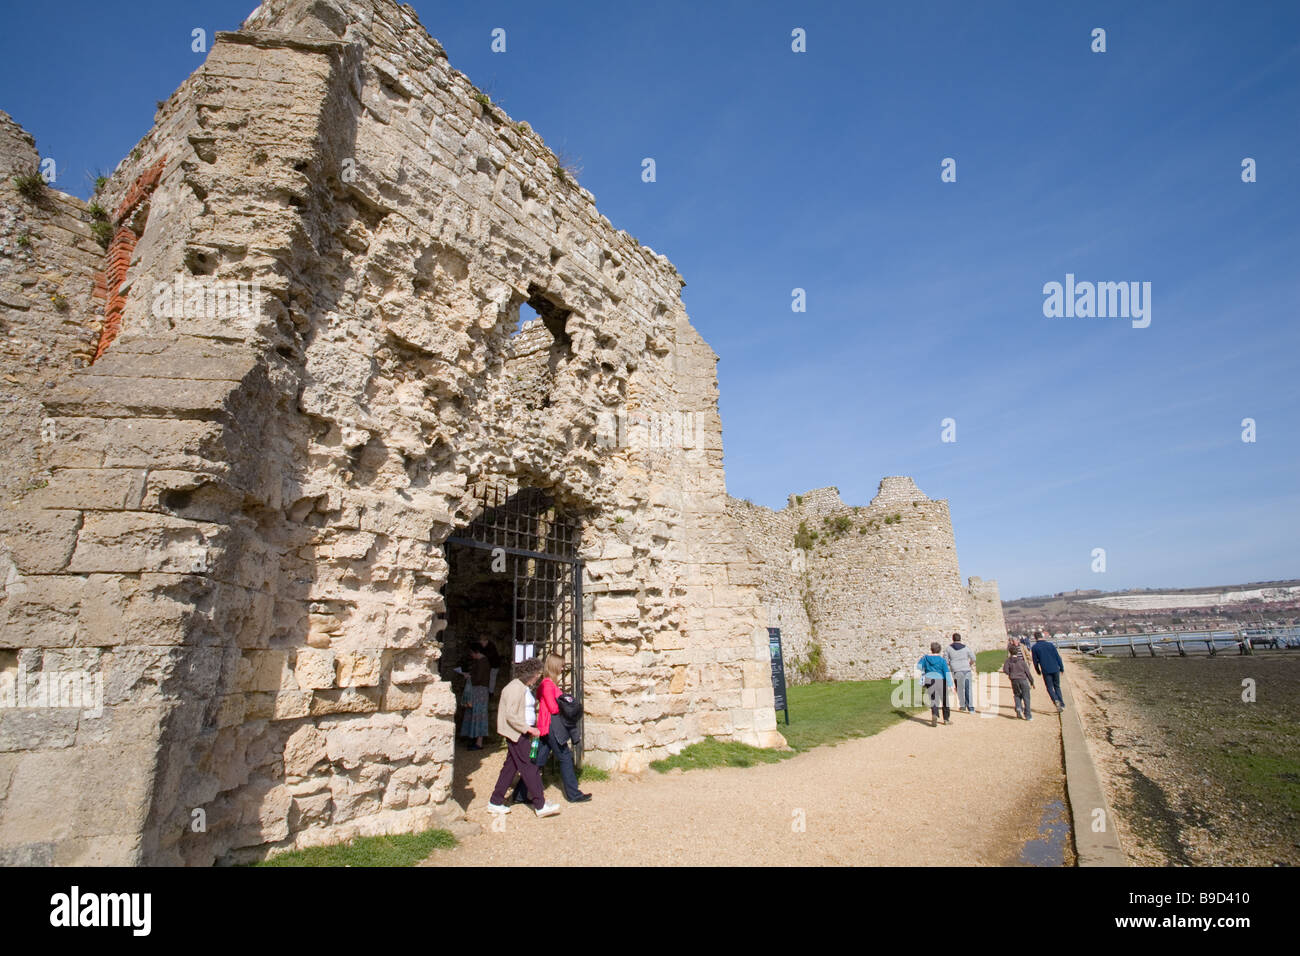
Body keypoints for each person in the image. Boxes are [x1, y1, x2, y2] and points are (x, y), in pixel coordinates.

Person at [511, 653, 591, 804]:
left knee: (537, 761)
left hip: (545, 727)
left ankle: (520, 794)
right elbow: (553, 708)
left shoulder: (546, 684)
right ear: (555, 666)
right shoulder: (548, 684)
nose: (562, 668)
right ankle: (574, 794)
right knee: (565, 758)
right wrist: (567, 704)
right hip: (551, 727)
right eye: (561, 665)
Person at [486, 657, 560, 818]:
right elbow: (511, 715)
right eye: (537, 674)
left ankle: (495, 801)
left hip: (521, 732)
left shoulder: (522, 687)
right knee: (530, 768)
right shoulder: (514, 688)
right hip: (517, 733)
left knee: (509, 768)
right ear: (530, 674)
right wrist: (529, 729)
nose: (538, 678)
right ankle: (540, 805)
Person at [458, 636, 501, 750]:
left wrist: (468, 677)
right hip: (478, 691)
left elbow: (478, 678)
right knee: (475, 715)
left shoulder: (483, 662)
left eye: (471, 653)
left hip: (480, 691)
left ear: (476, 652)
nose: (471, 655)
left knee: (479, 715)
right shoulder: (480, 661)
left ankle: (478, 742)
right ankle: (474, 739)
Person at [917, 642, 953, 726]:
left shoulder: (925, 658)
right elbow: (946, 672)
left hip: (929, 680)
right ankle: (946, 719)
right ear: (939, 650)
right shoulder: (942, 660)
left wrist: (925, 666)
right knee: (945, 700)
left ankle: (934, 714)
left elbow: (918, 666)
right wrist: (951, 684)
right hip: (940, 680)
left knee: (933, 699)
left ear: (931, 649)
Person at [1031, 631, 1066, 711]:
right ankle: (1062, 703)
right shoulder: (1050, 645)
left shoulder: (1035, 647)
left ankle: (1055, 700)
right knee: (1057, 686)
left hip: (1046, 670)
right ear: (1042, 636)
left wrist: (1037, 670)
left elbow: (1035, 661)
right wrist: (1062, 668)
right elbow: (1057, 657)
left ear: (1035, 638)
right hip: (1055, 668)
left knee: (1049, 687)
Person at [943, 632, 977, 713]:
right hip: (966, 669)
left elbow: (945, 660)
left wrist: (951, 663)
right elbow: (973, 658)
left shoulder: (948, 648)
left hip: (956, 670)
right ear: (960, 639)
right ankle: (971, 708)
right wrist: (969, 663)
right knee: (968, 688)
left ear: (953, 639)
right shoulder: (966, 648)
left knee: (960, 688)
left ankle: (963, 705)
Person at [1002, 637, 1035, 720]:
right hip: (1023, 679)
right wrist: (1032, 682)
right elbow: (1028, 673)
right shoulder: (1021, 662)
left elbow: (1005, 670)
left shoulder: (1008, 661)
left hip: (1014, 680)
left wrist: (1011, 674)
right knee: (1026, 697)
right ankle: (1028, 715)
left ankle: (1018, 708)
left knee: (1017, 695)